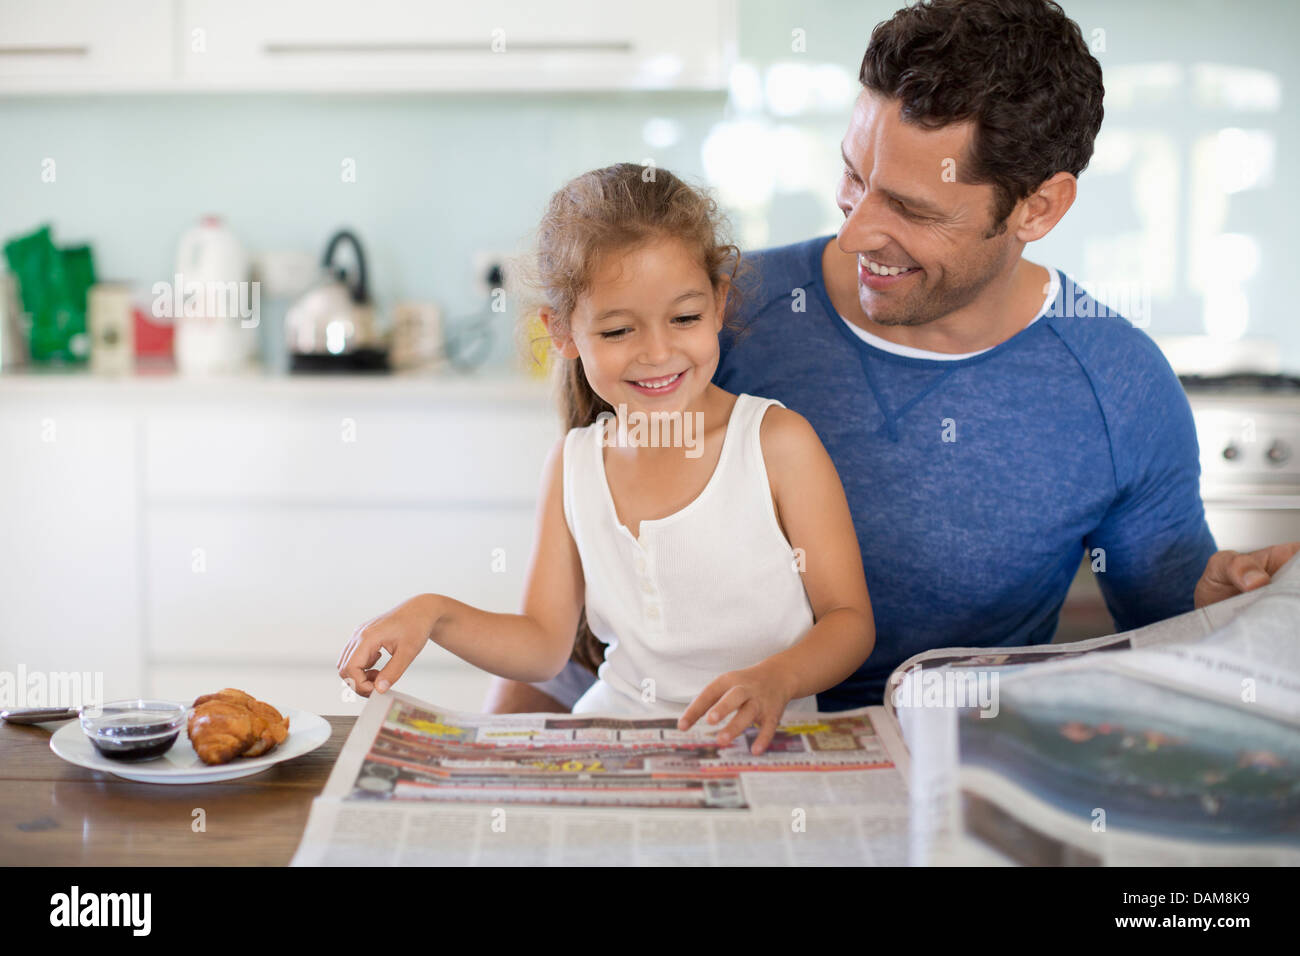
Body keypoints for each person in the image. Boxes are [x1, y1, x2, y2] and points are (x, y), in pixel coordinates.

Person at [485, 0, 1300, 717]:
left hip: (942, 778)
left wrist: (1226, 602)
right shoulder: (717, 317)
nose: (855, 231)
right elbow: (595, 608)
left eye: (909, 207)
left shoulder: (1116, 387)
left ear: (1038, 206)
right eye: (852, 175)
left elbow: (1165, 616)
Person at [337, 163, 875, 755]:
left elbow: (849, 620)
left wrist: (780, 677)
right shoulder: (573, 465)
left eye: (685, 318)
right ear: (563, 333)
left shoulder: (777, 442)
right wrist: (432, 614)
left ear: (720, 304)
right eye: (619, 331)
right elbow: (543, 645)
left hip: (762, 746)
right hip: (614, 740)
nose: (658, 351)